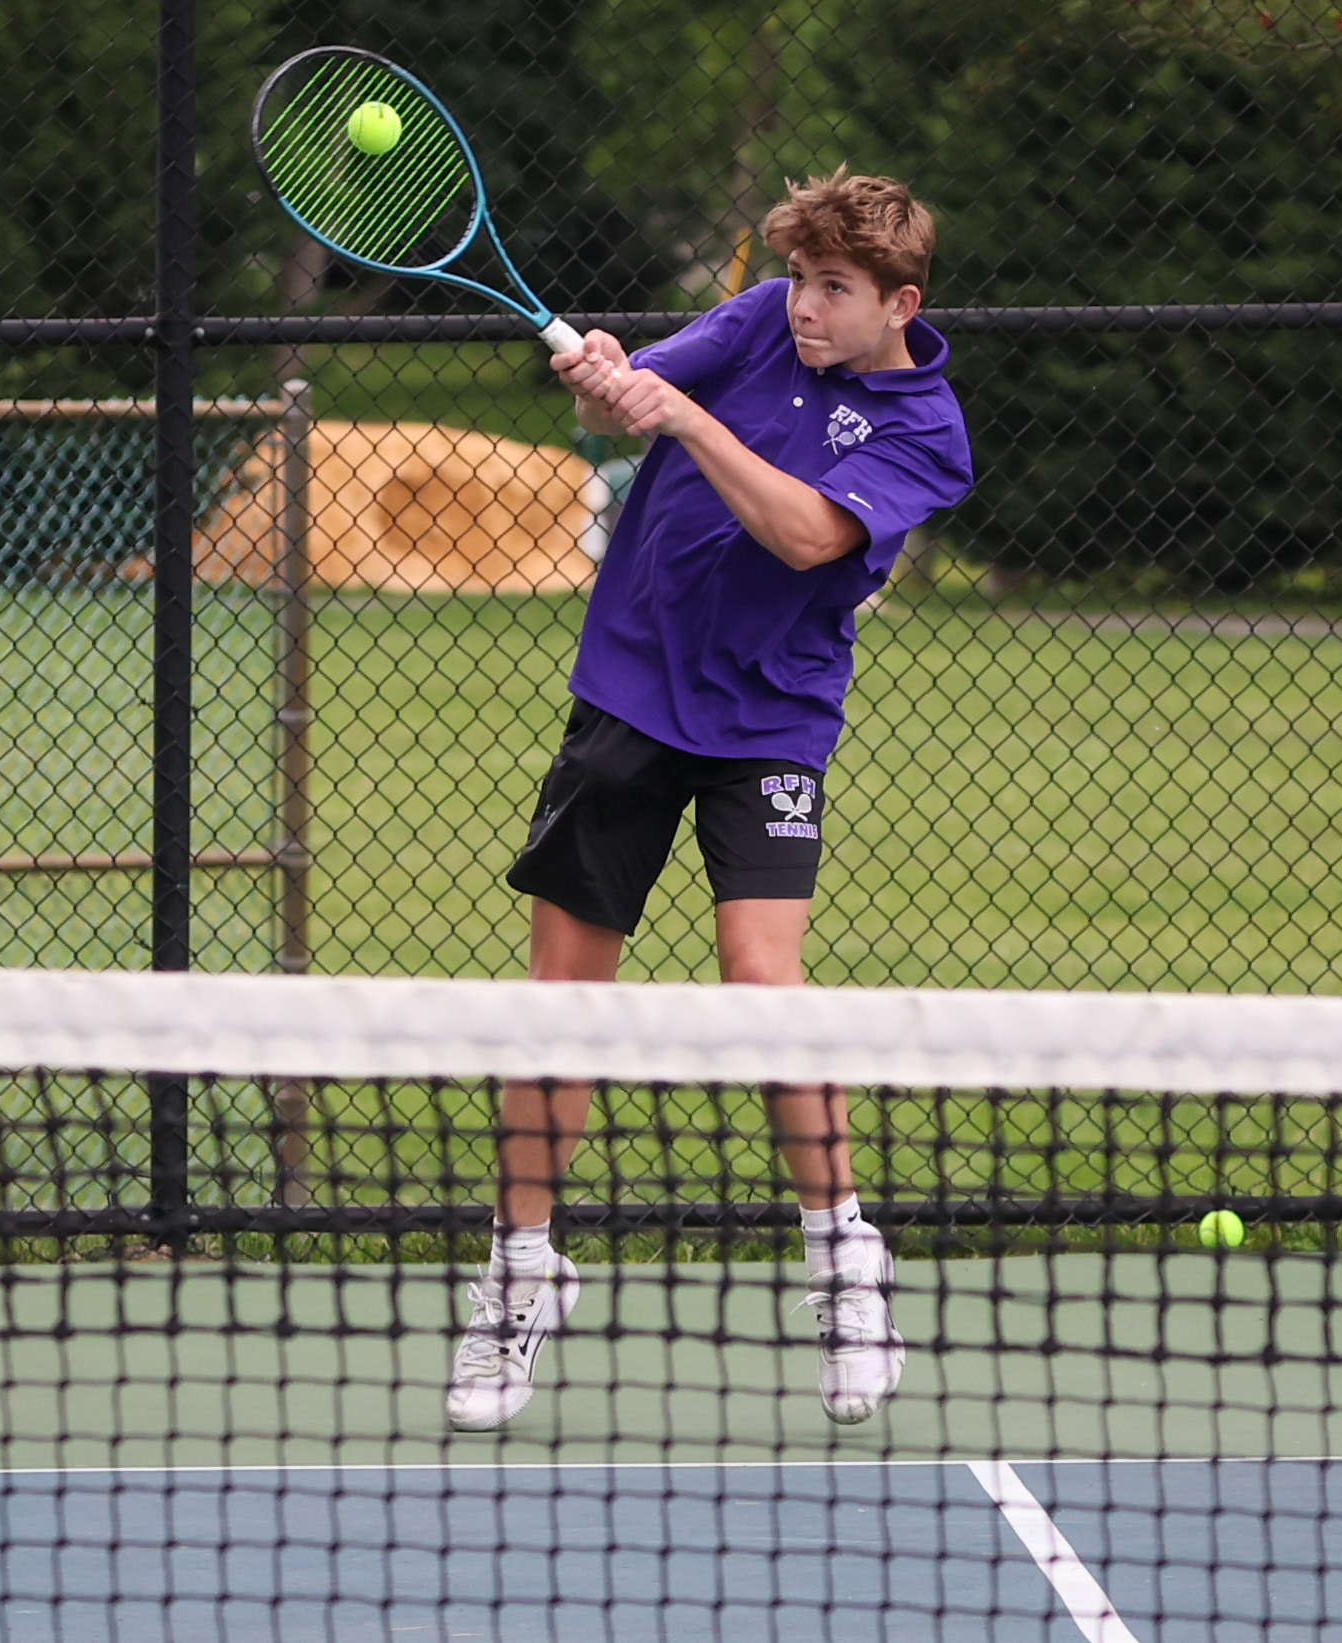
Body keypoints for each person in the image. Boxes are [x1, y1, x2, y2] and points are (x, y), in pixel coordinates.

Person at [446, 167, 975, 1432]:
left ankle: (844, 1262)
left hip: (771, 715)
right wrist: (610, 381)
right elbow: (634, 402)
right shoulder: (753, 322)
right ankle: (520, 1269)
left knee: (761, 981)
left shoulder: (925, 427)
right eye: (797, 278)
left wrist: (680, 420)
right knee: (560, 1004)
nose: (804, 306)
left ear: (897, 301)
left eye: (833, 288)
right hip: (631, 685)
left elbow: (803, 536)